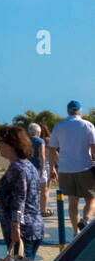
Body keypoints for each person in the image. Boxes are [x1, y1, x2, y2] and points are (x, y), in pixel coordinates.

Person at [0, 125, 44, 261]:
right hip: (34, 226)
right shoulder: (28, 165)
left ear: (11, 144)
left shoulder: (18, 168)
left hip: (23, 230)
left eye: (0, 142)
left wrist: (15, 227)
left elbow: (19, 199)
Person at [47, 100, 95, 235]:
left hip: (65, 169)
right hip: (84, 167)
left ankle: (75, 232)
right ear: (80, 111)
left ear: (68, 111)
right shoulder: (87, 125)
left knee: (72, 202)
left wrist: (52, 169)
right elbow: (94, 147)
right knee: (91, 199)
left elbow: (51, 149)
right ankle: (85, 219)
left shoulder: (59, 126)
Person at [28, 123, 52, 217]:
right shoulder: (40, 141)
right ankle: (43, 210)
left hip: (29, 168)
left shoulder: (26, 141)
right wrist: (42, 168)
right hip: (38, 167)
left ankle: (30, 209)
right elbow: (42, 155)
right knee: (43, 191)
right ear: (38, 132)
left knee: (30, 190)